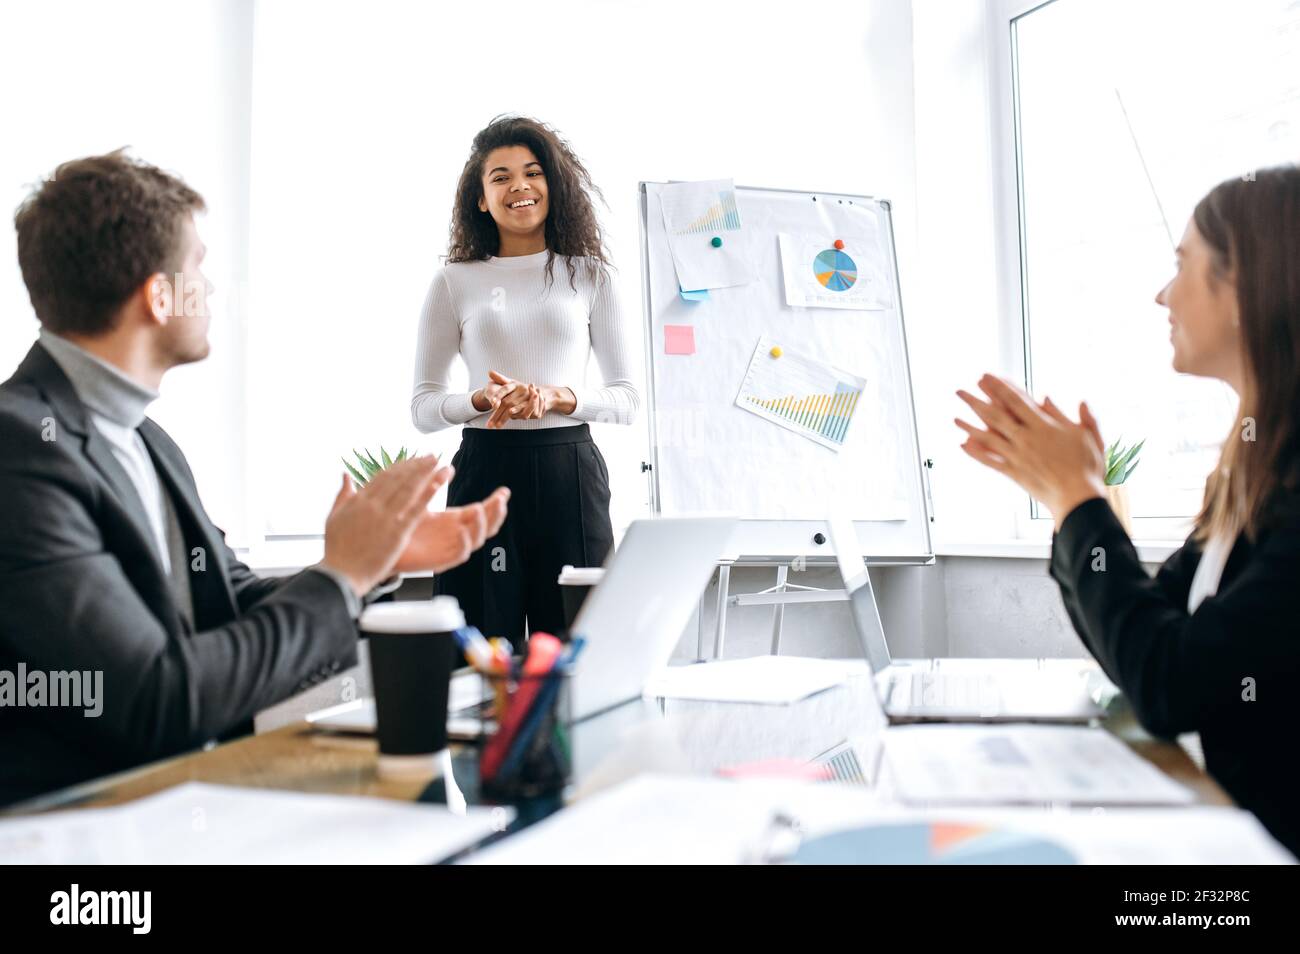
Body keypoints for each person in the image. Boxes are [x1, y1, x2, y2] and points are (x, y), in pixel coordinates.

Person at [0, 151, 509, 806]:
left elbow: (226, 598)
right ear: (158, 296)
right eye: (198, 267)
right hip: (74, 832)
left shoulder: (147, 439)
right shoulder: (19, 449)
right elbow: (155, 702)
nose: (211, 289)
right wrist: (341, 577)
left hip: (181, 807)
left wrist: (371, 564)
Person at [955, 166, 1300, 854]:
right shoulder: (1252, 476)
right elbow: (1145, 646)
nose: (1162, 294)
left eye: (1182, 266)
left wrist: (1083, 503)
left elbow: (1170, 684)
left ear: (1244, 290)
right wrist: (1072, 507)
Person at [411, 116, 639, 649]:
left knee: (576, 644)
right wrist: (477, 398)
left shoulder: (590, 276)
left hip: (570, 473)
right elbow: (422, 408)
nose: (519, 186)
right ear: (481, 200)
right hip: (485, 473)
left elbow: (627, 400)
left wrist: (558, 396)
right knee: (481, 645)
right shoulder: (454, 282)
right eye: (501, 176)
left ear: (552, 187)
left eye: (533, 172)